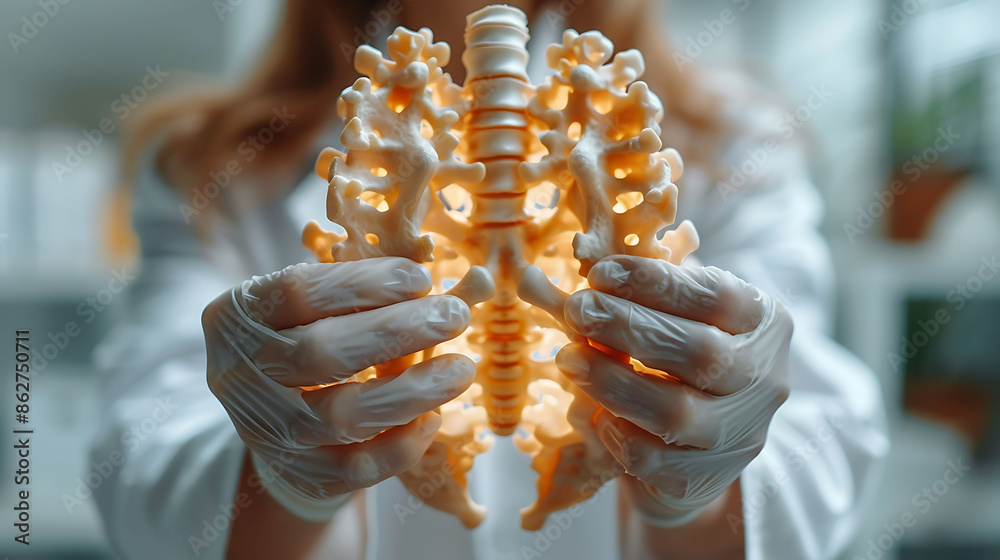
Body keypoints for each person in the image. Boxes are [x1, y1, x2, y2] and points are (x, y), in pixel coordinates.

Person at [90, 1, 889, 558]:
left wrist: (700, 494)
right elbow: (142, 467)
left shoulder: (737, 140)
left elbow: (816, 447)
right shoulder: (207, 164)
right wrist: (282, 484)